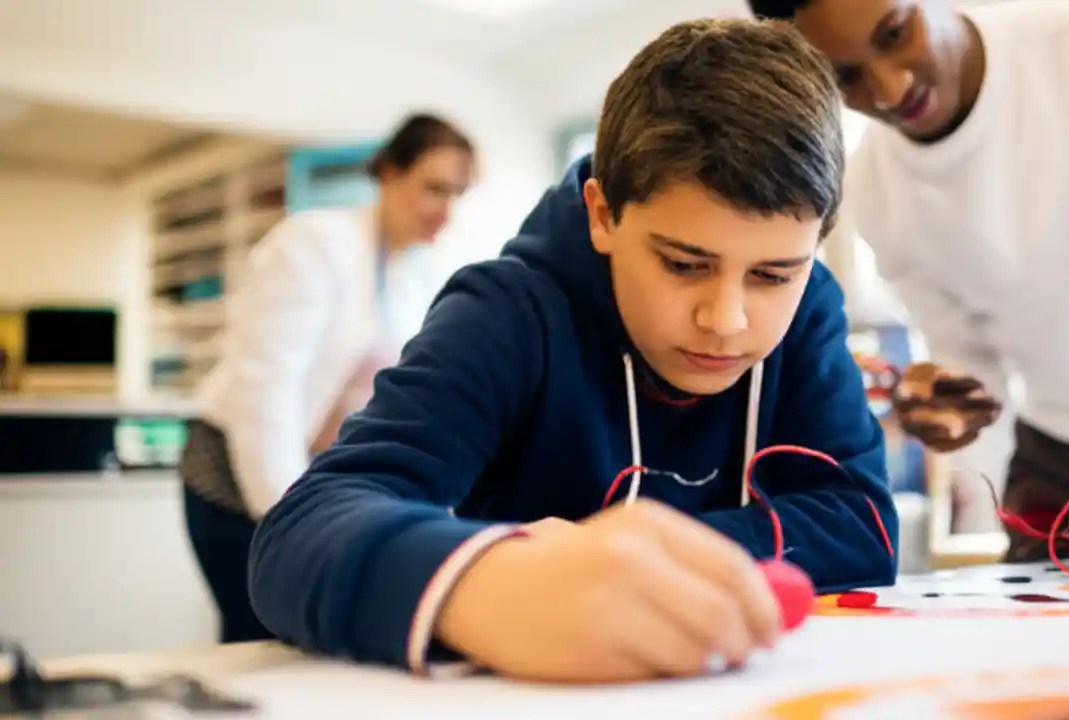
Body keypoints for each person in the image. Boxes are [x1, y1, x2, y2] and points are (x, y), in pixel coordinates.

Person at [247, 18, 898, 684]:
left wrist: (618, 562)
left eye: (772, 275)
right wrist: (493, 579)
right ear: (602, 215)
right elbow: (299, 533)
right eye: (682, 263)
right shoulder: (508, 311)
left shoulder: (810, 305)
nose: (726, 321)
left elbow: (864, 528)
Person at [748, 0, 1069, 560]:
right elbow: (970, 364)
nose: (890, 87)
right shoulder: (875, 190)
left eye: (895, 34)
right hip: (1058, 463)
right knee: (1044, 639)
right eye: (846, 77)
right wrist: (950, 406)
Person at [179, 113, 475, 643]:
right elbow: (266, 388)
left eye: (457, 192)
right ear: (388, 173)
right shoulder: (314, 243)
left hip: (313, 477)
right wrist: (288, 517)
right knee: (261, 642)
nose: (446, 210)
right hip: (235, 468)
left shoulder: (413, 273)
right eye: (433, 188)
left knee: (306, 644)